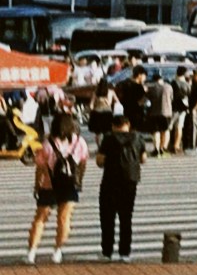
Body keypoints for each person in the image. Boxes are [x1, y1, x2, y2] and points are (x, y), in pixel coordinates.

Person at [25, 110, 88, 263]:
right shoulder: (79, 142)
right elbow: (83, 163)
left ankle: (31, 253)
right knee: (64, 219)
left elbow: (40, 168)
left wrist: (37, 185)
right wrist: (79, 179)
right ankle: (57, 251)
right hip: (68, 186)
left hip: (49, 185)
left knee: (40, 219)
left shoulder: (47, 144)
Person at [96, 108, 145, 261]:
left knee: (107, 218)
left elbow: (100, 161)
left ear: (113, 126)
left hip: (110, 181)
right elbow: (143, 159)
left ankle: (107, 252)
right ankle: (125, 252)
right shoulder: (138, 138)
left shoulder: (108, 138)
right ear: (127, 124)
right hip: (130, 181)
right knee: (126, 218)